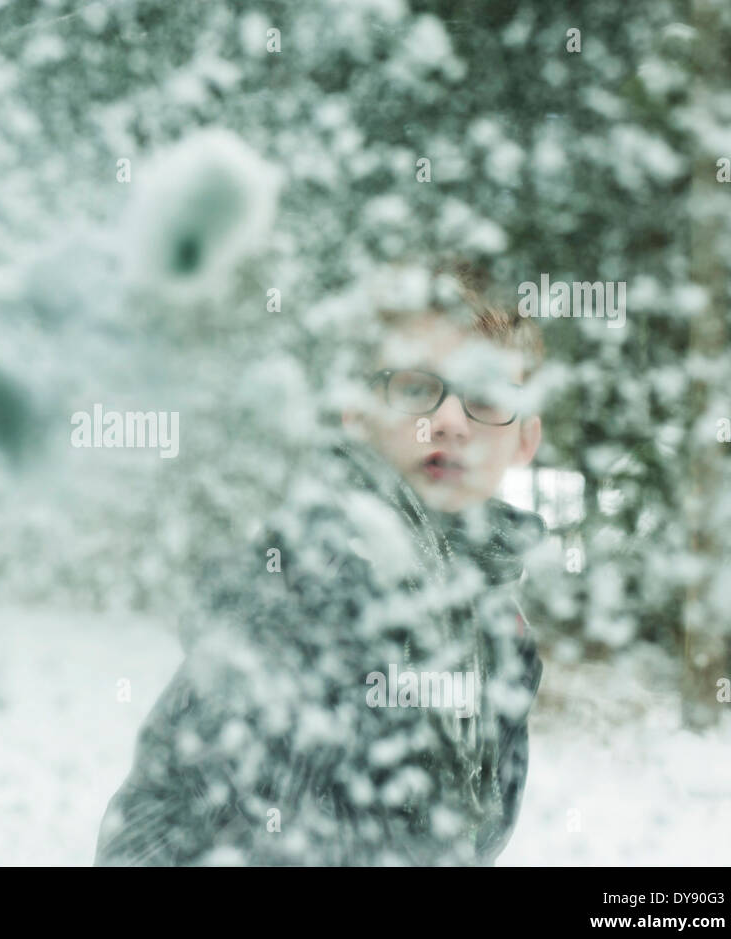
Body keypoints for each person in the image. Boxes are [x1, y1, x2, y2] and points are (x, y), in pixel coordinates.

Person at [94, 267, 547, 865]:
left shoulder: (500, 629)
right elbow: (154, 835)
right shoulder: (308, 586)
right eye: (416, 389)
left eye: (486, 397)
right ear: (357, 413)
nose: (450, 421)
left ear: (525, 439)